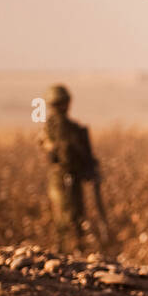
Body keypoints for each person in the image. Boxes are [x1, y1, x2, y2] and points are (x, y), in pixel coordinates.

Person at [37, 85, 105, 253]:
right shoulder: (59, 128)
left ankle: (71, 252)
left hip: (66, 178)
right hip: (65, 179)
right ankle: (70, 253)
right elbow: (66, 156)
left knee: (70, 219)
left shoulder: (55, 128)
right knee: (69, 219)